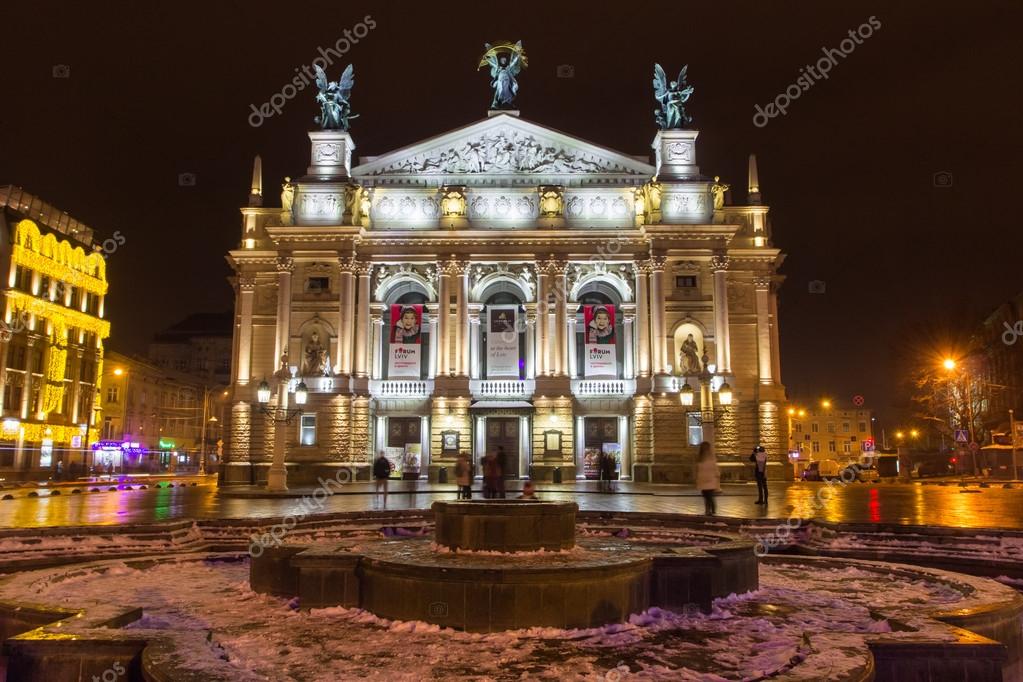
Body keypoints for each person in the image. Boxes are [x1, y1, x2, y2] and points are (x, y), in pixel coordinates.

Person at [696, 441, 720, 516]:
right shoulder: (702, 458)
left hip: (709, 481)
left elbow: (715, 469)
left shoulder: (708, 458)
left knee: (708, 497)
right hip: (705, 480)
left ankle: (711, 511)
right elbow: (698, 470)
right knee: (707, 497)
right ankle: (710, 510)